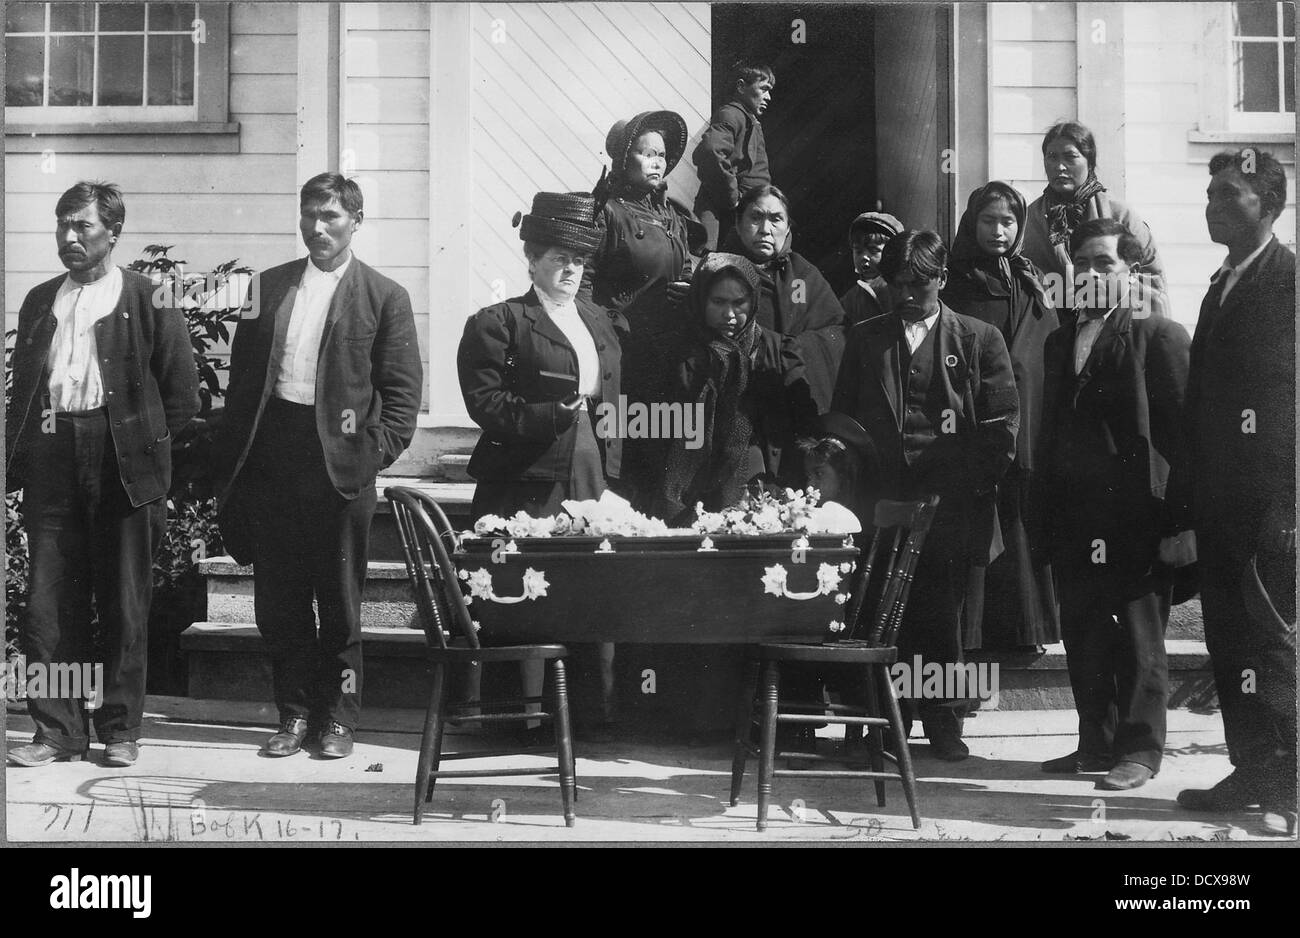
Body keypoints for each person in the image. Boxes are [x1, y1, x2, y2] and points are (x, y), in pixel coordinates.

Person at [214, 173, 423, 760]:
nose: (318, 227)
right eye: (310, 214)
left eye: (331, 216)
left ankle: (340, 719)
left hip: (341, 464)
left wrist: (372, 453)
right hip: (273, 455)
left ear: (356, 222)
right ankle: (295, 713)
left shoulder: (384, 296)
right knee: (278, 601)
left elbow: (402, 397)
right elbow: (242, 388)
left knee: (340, 602)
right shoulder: (270, 288)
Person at [6, 182, 200, 768]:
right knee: (49, 601)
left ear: (112, 233)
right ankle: (57, 731)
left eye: (82, 227)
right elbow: (25, 394)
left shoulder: (149, 298)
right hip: (53, 456)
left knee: (124, 599)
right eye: (62, 225)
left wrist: (145, 450)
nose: (69, 237)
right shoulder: (41, 300)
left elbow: (183, 395)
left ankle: (120, 730)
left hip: (125, 461)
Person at [832, 230, 1019, 761]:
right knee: (880, 613)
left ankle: (943, 723)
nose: (909, 294)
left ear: (941, 279)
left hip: (951, 506)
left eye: (920, 283)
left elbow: (1002, 426)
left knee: (940, 616)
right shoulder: (866, 339)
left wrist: (961, 489)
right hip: (881, 502)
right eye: (898, 284)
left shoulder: (979, 338)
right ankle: (886, 724)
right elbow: (844, 422)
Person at [1165, 150, 1296, 837]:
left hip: (1274, 511)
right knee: (1232, 645)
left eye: (1229, 194)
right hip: (1220, 511)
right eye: (1210, 192)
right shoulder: (1222, 283)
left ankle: (1291, 787)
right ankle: (1251, 766)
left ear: (1269, 205)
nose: (1212, 204)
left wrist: (1290, 511)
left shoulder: (1289, 281)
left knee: (1277, 650)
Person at [458, 191, 622, 733]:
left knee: (588, 593)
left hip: (588, 471)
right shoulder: (500, 322)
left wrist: (611, 466)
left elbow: (615, 400)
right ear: (530, 260)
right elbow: (485, 403)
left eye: (577, 259)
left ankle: (583, 721)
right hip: (524, 478)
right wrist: (550, 414)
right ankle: (505, 719)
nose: (569, 269)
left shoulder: (597, 322)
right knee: (516, 593)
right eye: (557, 258)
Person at [1035, 218, 1191, 791]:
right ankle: (1093, 742)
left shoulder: (1161, 335)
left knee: (1137, 635)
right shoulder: (1059, 340)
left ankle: (1141, 749)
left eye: (1105, 263)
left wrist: (1183, 523)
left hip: (1136, 516)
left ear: (1132, 273)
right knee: (1083, 631)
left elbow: (1183, 439)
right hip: (1076, 516)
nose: (1092, 274)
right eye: (1083, 264)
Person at [942, 181, 1060, 651]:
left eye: (1008, 221)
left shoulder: (1028, 278)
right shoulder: (955, 281)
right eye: (989, 220)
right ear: (973, 223)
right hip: (975, 423)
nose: (998, 230)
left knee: (1019, 519)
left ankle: (1024, 629)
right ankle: (973, 636)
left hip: (1026, 423)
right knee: (979, 521)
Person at [586, 109, 705, 508]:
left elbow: (685, 265)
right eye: (645, 152)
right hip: (623, 352)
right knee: (625, 457)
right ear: (623, 159)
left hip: (666, 350)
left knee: (663, 450)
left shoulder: (671, 216)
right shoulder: (606, 213)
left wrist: (691, 292)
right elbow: (584, 283)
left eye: (661, 154)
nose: (656, 161)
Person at [725, 184, 847, 482]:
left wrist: (782, 348)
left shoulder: (804, 276)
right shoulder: (719, 272)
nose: (766, 229)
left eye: (776, 219)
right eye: (756, 217)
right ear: (739, 225)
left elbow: (837, 334)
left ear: (787, 226)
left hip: (791, 411)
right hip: (738, 410)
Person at [652, 251, 764, 526]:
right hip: (677, 489)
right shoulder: (673, 350)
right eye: (718, 302)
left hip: (741, 484)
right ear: (700, 300)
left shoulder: (766, 350)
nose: (729, 315)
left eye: (739, 303)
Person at [1022, 121, 1170, 323]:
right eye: (1052, 157)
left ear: (1089, 162)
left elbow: (1151, 281)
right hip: (1052, 333)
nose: (1060, 167)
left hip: (1116, 329)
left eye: (1070, 157)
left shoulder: (1119, 214)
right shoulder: (1030, 219)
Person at [692, 60, 775, 250]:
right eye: (763, 89)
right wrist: (733, 198)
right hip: (727, 215)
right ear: (741, 87)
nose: (768, 97)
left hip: (750, 212)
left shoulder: (748, 120)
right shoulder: (730, 114)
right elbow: (711, 150)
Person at [840, 212, 903, 327]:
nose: (864, 257)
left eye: (873, 250)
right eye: (858, 251)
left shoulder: (900, 289)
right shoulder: (850, 299)